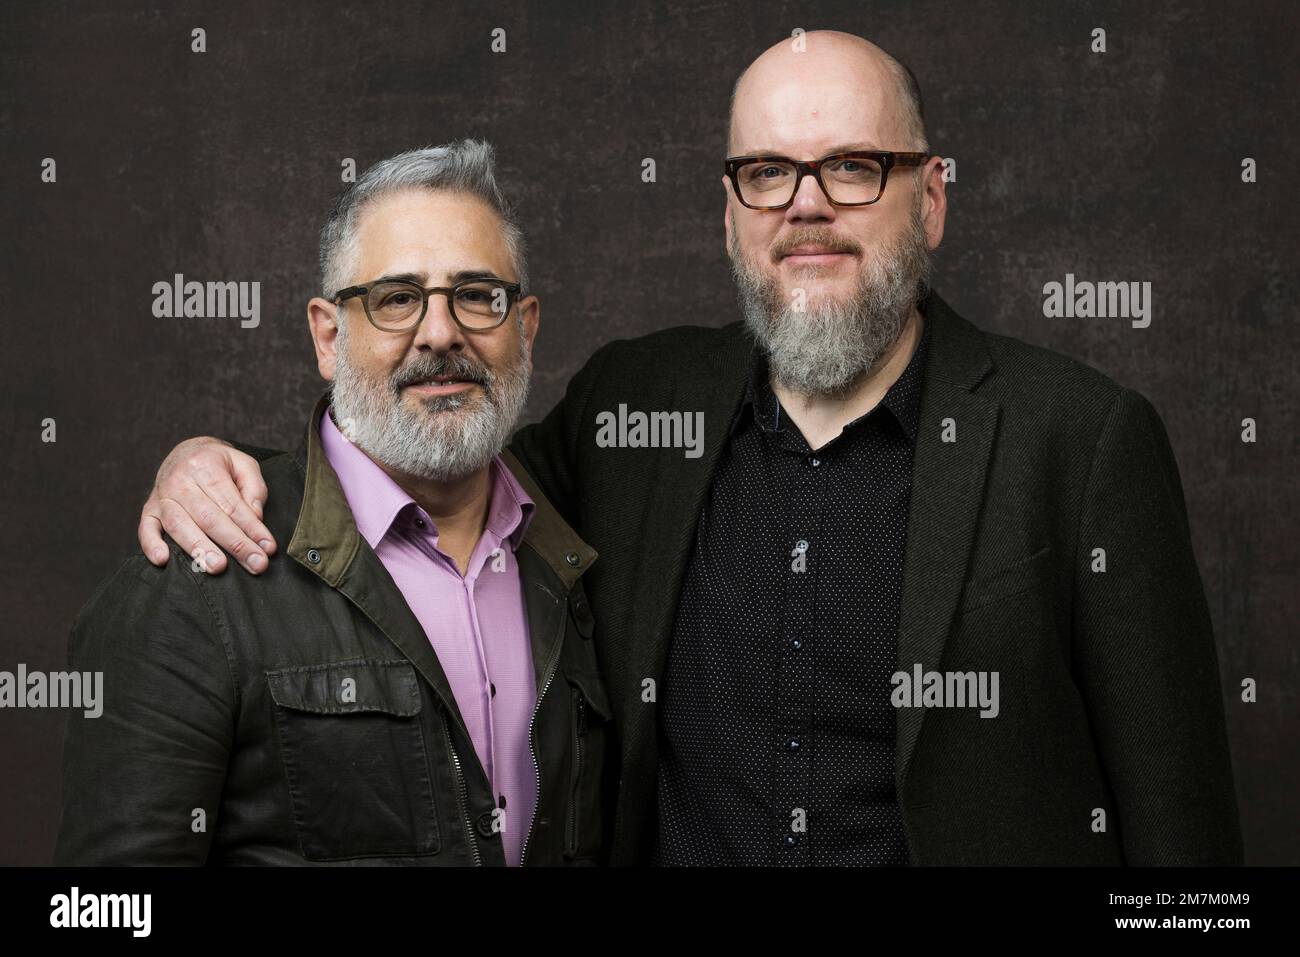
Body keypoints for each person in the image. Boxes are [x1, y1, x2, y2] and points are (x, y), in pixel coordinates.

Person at [135, 32, 1242, 866]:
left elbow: (1182, 840)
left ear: (931, 198)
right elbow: (434, 455)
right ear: (727, 212)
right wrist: (218, 463)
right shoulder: (636, 409)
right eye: (767, 172)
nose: (805, 207)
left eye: (852, 167)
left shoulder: (1081, 443)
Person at [57, 141, 614, 865]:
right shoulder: (199, 580)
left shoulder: (567, 556)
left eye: (478, 295)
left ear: (525, 326)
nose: (441, 333)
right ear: (328, 335)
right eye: (396, 299)